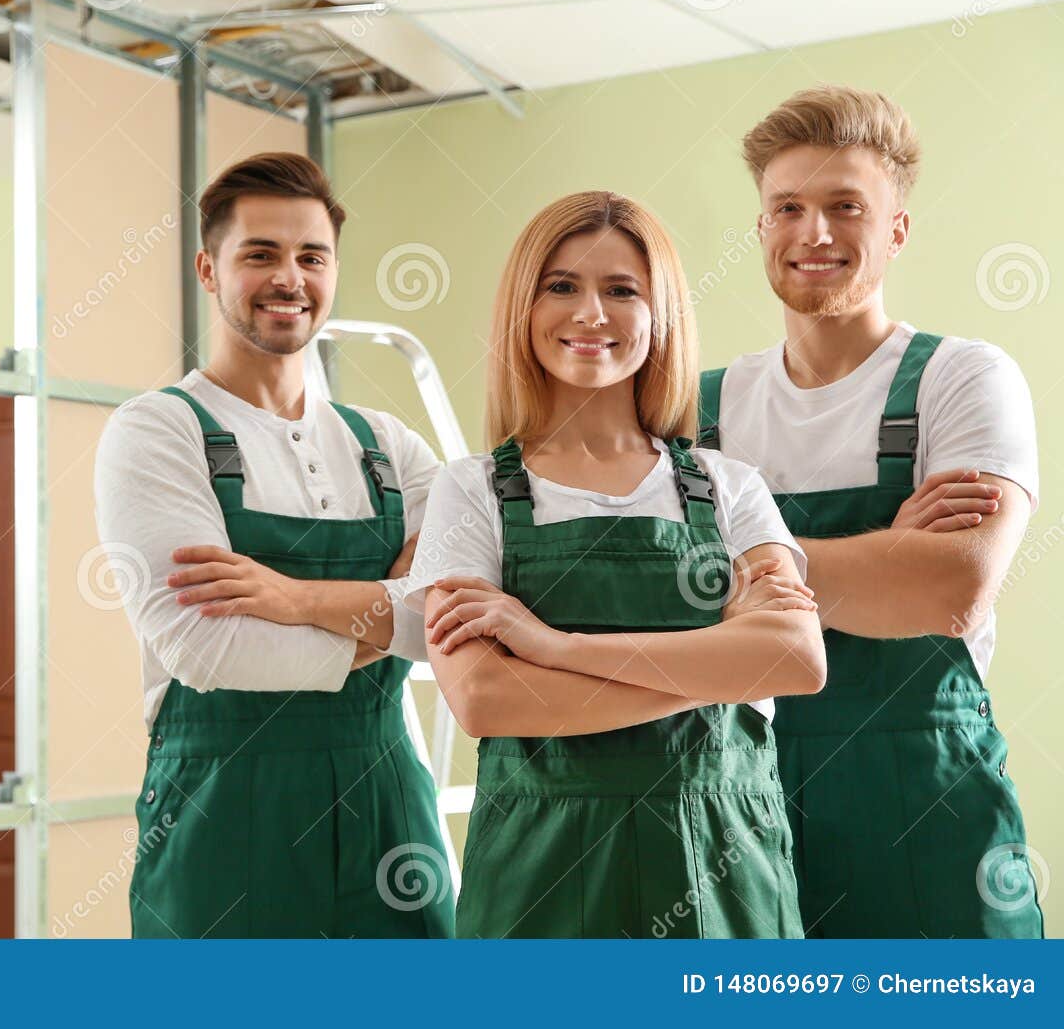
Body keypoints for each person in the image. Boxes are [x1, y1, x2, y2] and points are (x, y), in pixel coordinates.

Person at [410, 190, 825, 938]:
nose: (591, 313)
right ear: (522, 308)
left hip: (724, 869)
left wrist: (555, 648)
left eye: (622, 290)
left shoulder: (729, 486)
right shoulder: (468, 491)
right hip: (542, 877)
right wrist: (718, 667)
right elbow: (485, 699)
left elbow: (795, 657)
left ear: (660, 312)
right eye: (561, 285)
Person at [697, 84, 1045, 937]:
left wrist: (740, 562)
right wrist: (882, 552)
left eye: (845, 205)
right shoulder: (698, 408)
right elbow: (650, 598)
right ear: (763, 229)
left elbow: (949, 588)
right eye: (789, 208)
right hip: (739, 793)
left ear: (895, 229)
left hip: (925, 795)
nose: (814, 233)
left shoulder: (961, 378)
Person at [93, 152, 454, 938]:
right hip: (226, 808)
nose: (289, 277)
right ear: (208, 268)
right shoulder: (157, 430)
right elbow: (209, 648)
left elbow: (454, 617)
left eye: (310, 256)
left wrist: (293, 601)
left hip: (386, 800)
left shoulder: (389, 445)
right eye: (260, 253)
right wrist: (387, 613)